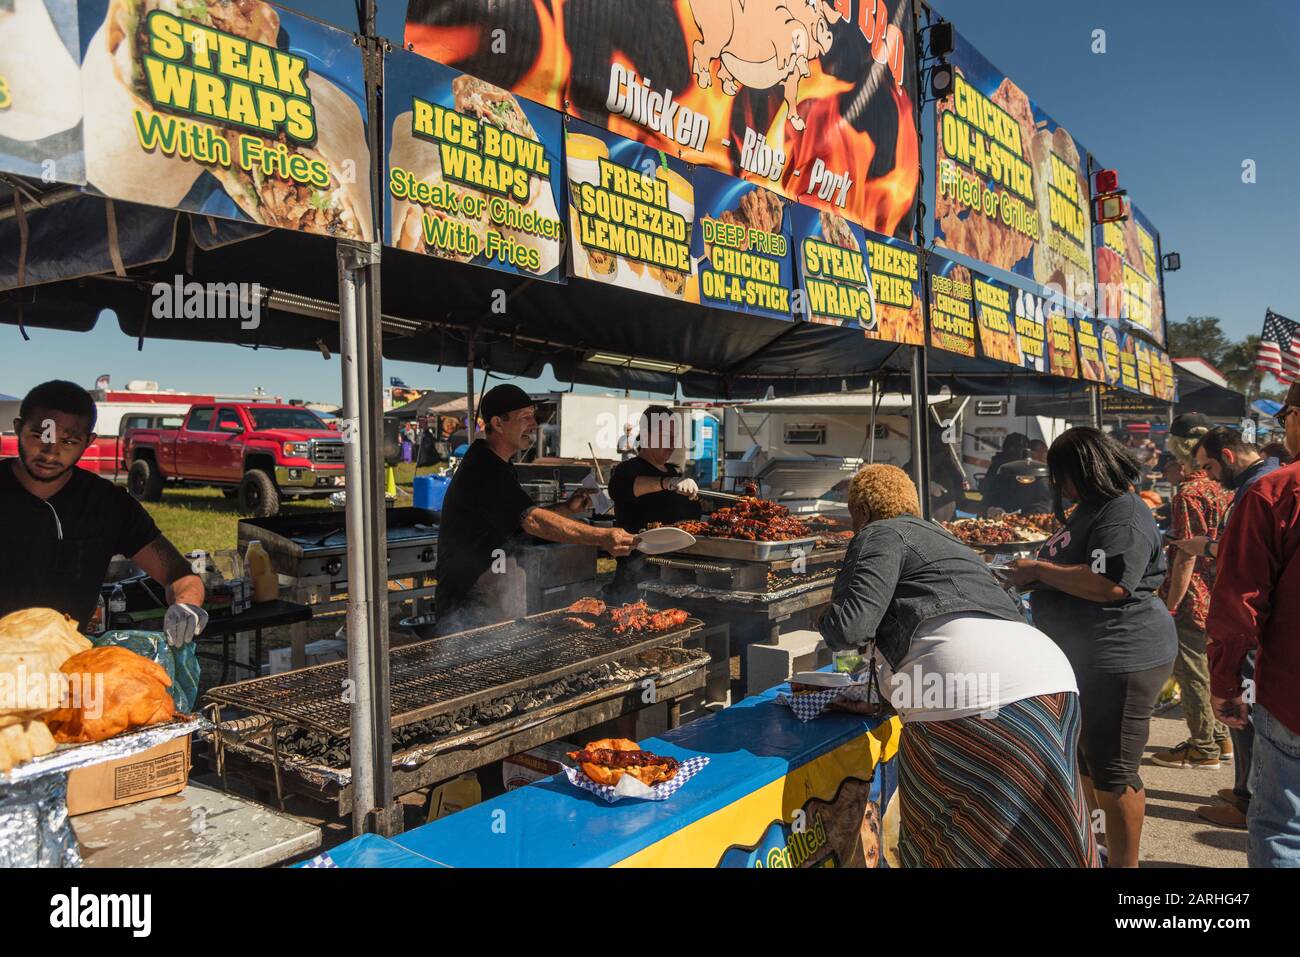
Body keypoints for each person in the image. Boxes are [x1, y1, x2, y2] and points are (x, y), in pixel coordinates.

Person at [818, 464, 1094, 867]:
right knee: (1042, 833)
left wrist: (823, 618)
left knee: (947, 839)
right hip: (1052, 684)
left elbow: (850, 628)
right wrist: (896, 693)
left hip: (971, 700)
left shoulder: (880, 532)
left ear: (860, 511)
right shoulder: (948, 540)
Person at [1005, 427, 1176, 868]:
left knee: (1115, 771)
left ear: (1081, 470)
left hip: (1121, 656)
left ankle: (1124, 865)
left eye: (1061, 475)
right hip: (1087, 656)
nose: (1059, 485)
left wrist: (1039, 570)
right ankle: (1094, 853)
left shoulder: (1123, 512)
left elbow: (1111, 583)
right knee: (1089, 761)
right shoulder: (1094, 510)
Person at [0, 381, 207, 646]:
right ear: (18, 429)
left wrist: (187, 605)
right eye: (40, 435)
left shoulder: (108, 504)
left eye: (68, 441)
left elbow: (179, 575)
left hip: (67, 663)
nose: (51, 452)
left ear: (88, 442)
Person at [433, 384, 636, 633]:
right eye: (525, 417)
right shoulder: (484, 469)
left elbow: (520, 516)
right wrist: (602, 537)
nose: (534, 424)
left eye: (533, 416)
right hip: (467, 609)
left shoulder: (501, 465)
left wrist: (568, 508)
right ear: (497, 423)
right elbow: (534, 522)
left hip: (493, 602)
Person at [1205, 386, 1300, 867]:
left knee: (1283, 828)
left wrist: (1223, 682)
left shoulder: (1275, 491)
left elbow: (1239, 601)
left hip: (1291, 694)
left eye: (1286, 421)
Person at [1180, 426, 1286, 829]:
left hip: (1254, 626)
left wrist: (1203, 546)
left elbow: (1250, 556)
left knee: (1245, 713)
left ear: (1227, 455)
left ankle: (1247, 801)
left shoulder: (1260, 487)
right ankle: (1246, 791)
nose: (1208, 476)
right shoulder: (1265, 480)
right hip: (1260, 624)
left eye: (1209, 465)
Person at [1150, 414, 1232, 770]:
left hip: (1193, 592)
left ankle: (1203, 746)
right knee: (1211, 668)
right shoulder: (1222, 485)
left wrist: (1171, 604)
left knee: (1192, 670)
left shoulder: (1190, 491)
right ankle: (1219, 736)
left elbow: (1186, 554)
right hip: (1221, 589)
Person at [606, 406, 702, 602]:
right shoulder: (627, 470)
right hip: (637, 575)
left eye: (675, 436)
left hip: (676, 573)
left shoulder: (674, 472)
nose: (673, 443)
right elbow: (621, 488)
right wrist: (667, 484)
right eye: (666, 435)